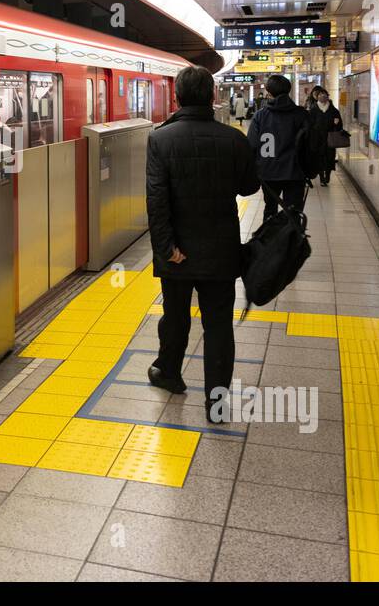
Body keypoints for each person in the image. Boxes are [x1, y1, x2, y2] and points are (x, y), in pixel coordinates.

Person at [145, 66, 260, 421]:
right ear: (212, 96)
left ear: (176, 96)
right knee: (218, 325)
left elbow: (156, 199)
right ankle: (217, 402)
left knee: (176, 317)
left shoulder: (160, 139)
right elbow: (249, 188)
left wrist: (167, 248)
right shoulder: (234, 139)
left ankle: (169, 373)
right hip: (221, 250)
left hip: (176, 253)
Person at [248, 74, 311, 221]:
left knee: (270, 210)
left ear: (269, 92)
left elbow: (252, 145)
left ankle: (269, 241)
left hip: (268, 173)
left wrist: (254, 171)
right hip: (295, 173)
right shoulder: (302, 115)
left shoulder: (260, 116)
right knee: (293, 214)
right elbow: (311, 145)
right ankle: (291, 241)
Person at [307, 86, 343, 187]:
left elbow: (340, 125)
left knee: (330, 158)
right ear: (317, 97)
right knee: (319, 158)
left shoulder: (334, 110)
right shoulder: (313, 110)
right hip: (317, 139)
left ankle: (327, 175)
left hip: (329, 139)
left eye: (324, 95)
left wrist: (336, 123)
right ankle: (322, 177)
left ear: (327, 96)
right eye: (320, 95)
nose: (322, 96)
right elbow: (309, 125)